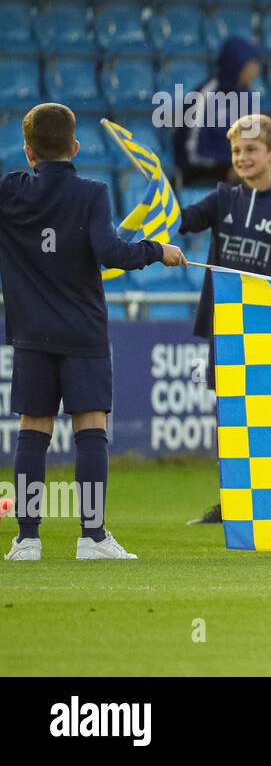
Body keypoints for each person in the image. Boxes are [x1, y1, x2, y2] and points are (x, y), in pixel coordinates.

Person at [1, 103, 187, 561]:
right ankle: (93, 537)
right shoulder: (91, 192)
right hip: (82, 331)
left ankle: (27, 539)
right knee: (90, 426)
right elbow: (111, 252)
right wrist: (157, 249)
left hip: (29, 333)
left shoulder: (9, 190)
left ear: (28, 151)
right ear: (76, 147)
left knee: (33, 428)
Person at [178, 114, 271, 526]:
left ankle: (268, 500)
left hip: (267, 330)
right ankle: (230, 501)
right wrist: (160, 197)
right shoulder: (220, 199)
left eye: (251, 149)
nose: (243, 157)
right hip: (227, 327)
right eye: (236, 151)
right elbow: (182, 220)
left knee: (266, 417)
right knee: (230, 416)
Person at [176, 36, 262, 186]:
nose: (256, 70)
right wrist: (227, 165)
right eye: (251, 64)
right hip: (202, 171)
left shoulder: (248, 96)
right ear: (237, 63)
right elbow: (191, 152)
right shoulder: (205, 94)